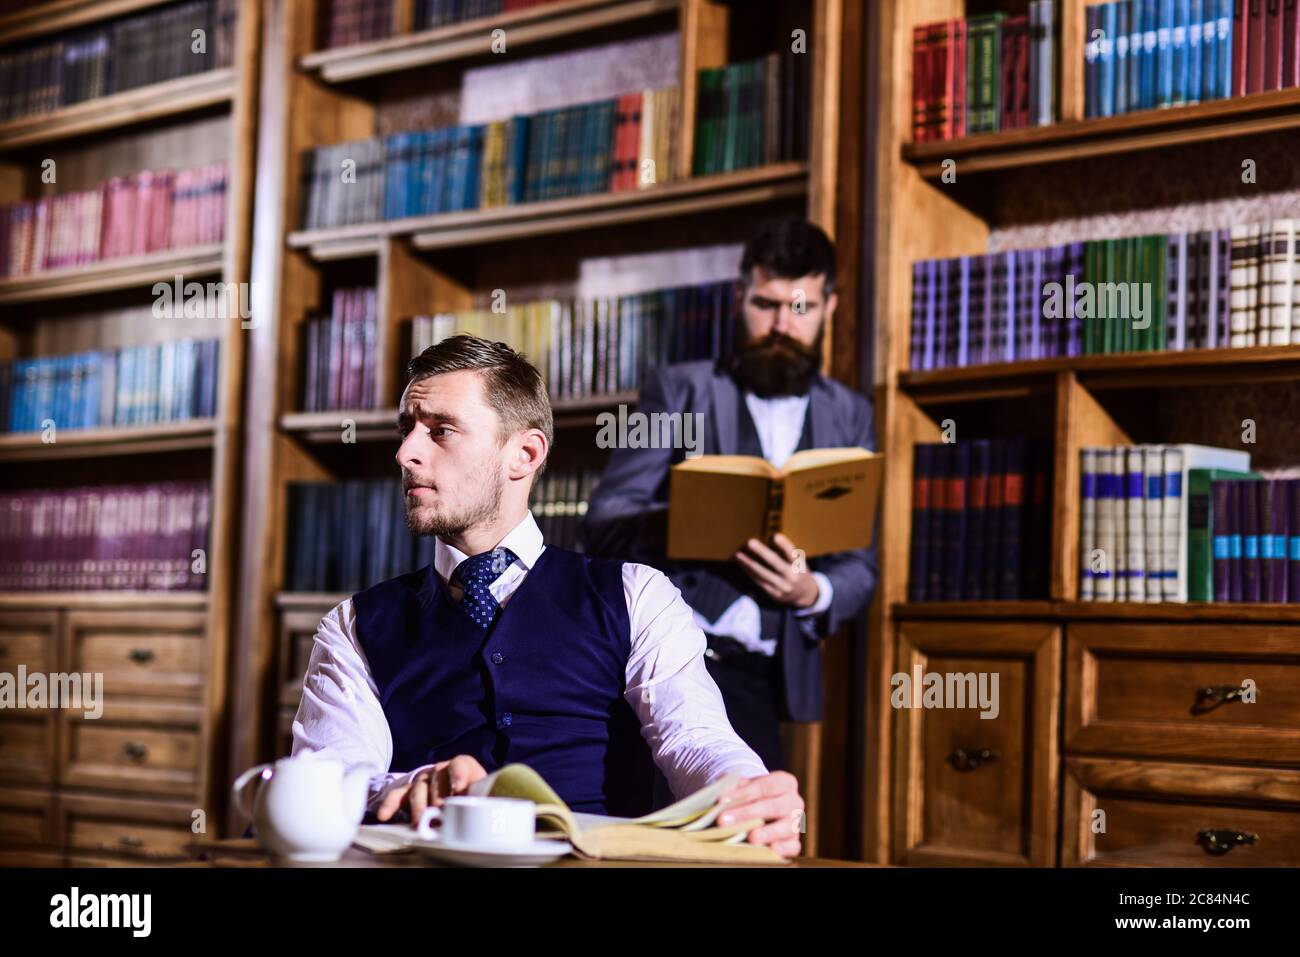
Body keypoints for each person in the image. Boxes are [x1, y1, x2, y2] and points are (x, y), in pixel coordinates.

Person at [291, 334, 805, 857]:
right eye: (406, 430)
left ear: (525, 454)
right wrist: (408, 783)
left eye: (440, 431)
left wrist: (745, 792)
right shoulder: (354, 624)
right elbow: (323, 783)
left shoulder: (637, 596)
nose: (406, 453)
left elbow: (695, 738)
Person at [580, 218, 878, 775]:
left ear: (829, 308)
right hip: (668, 661)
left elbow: (862, 564)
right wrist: (695, 517)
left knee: (749, 842)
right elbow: (603, 523)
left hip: (763, 677)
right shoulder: (680, 389)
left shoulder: (851, 412)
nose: (781, 326)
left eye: (801, 309)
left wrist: (813, 590)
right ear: (740, 297)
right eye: (766, 305)